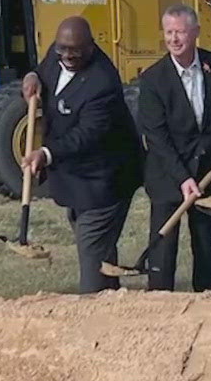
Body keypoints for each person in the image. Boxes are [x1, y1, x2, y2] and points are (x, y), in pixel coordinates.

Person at [136, 3, 211, 292]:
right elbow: (156, 137)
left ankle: (207, 300)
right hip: (168, 176)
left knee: (204, 243)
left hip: (209, 173)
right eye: (168, 33)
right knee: (163, 250)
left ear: (196, 33)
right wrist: (183, 179)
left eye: (180, 32)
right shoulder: (153, 79)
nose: (174, 39)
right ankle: (160, 302)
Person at [22, 16, 143, 294]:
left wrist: (46, 153)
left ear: (90, 46)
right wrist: (31, 77)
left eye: (74, 51)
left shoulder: (103, 82)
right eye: (62, 49)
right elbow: (41, 72)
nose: (67, 56)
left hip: (104, 180)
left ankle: (93, 307)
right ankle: (111, 297)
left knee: (91, 250)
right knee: (98, 250)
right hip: (77, 179)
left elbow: (87, 135)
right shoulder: (58, 55)